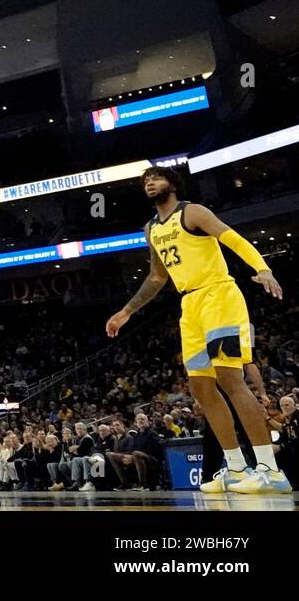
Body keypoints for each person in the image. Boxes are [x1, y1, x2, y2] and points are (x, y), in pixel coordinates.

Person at [105, 166, 289, 494]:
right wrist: (126, 311)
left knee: (230, 380)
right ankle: (235, 467)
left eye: (156, 178)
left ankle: (269, 469)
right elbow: (157, 278)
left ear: (173, 184)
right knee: (202, 389)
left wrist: (262, 268)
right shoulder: (151, 229)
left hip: (218, 295)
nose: (149, 183)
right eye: (145, 180)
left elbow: (230, 237)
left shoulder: (192, 211)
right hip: (189, 306)